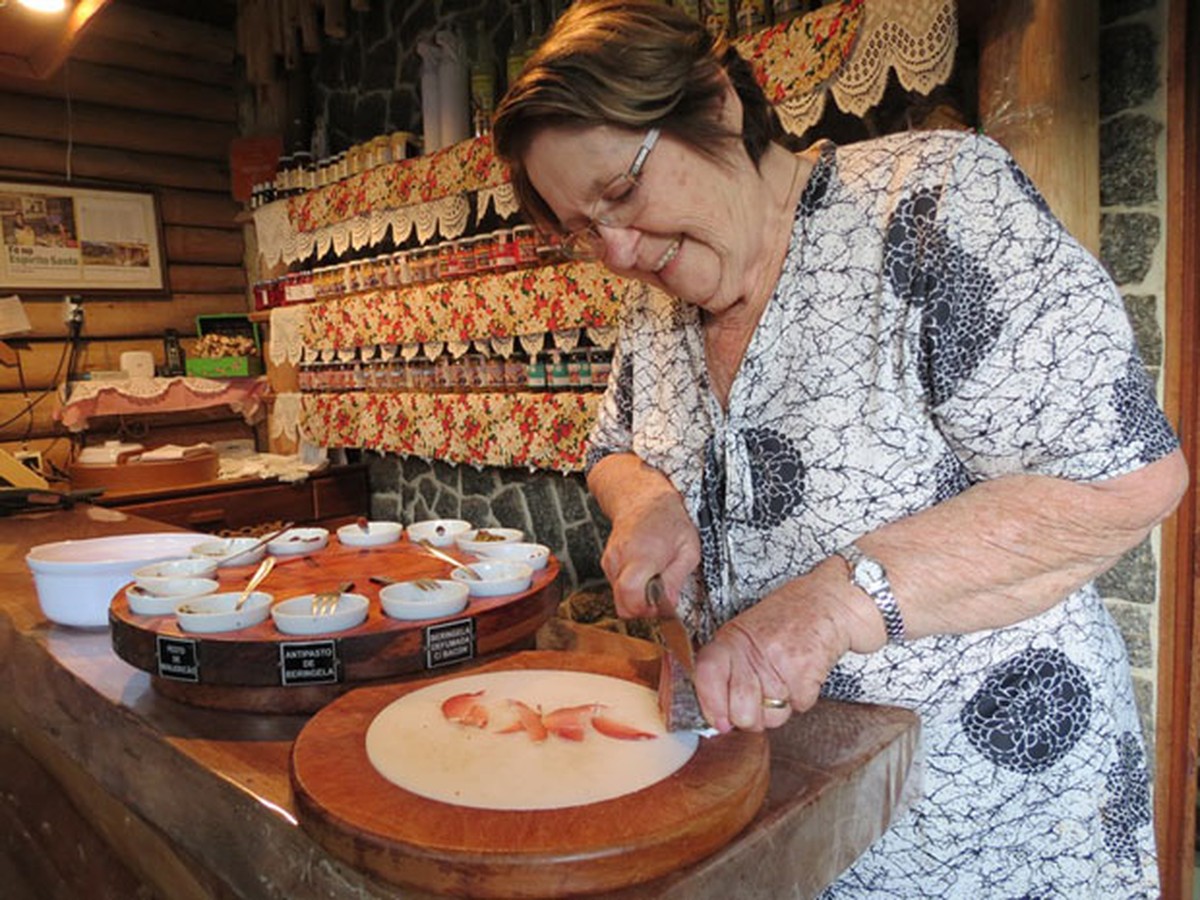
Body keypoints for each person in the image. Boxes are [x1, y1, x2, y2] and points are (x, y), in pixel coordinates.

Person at [492, 1, 1188, 896]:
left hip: (980, 826)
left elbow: (1119, 481)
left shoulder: (933, 203)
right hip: (786, 819)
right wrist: (646, 500)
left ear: (715, 103)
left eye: (622, 193)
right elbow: (614, 448)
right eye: (583, 231)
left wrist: (831, 608)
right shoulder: (656, 304)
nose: (617, 249)